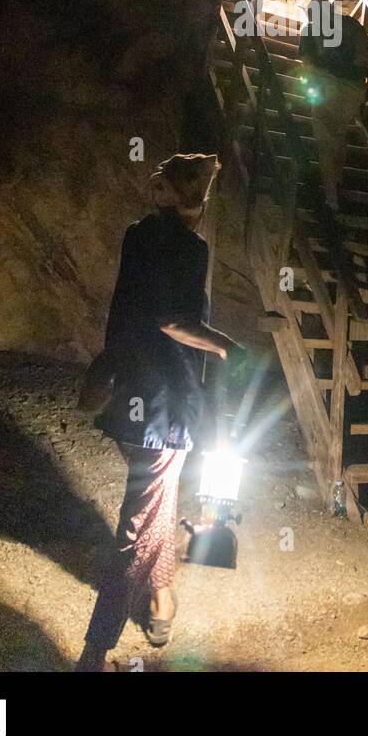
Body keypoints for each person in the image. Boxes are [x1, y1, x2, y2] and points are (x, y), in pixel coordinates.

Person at [76, 153, 239, 671]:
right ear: (200, 201)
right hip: (165, 403)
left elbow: (132, 311)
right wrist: (225, 346)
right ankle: (96, 646)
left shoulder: (137, 234)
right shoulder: (192, 248)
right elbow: (173, 321)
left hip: (130, 392)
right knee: (138, 526)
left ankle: (163, 598)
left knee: (160, 502)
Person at [298, 1, 368, 210]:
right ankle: (338, 180)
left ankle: (331, 197)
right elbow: (365, 60)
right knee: (339, 134)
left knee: (325, 141)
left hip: (327, 87)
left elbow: (308, 64)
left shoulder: (311, 30)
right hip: (353, 92)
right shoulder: (352, 25)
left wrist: (311, 90)